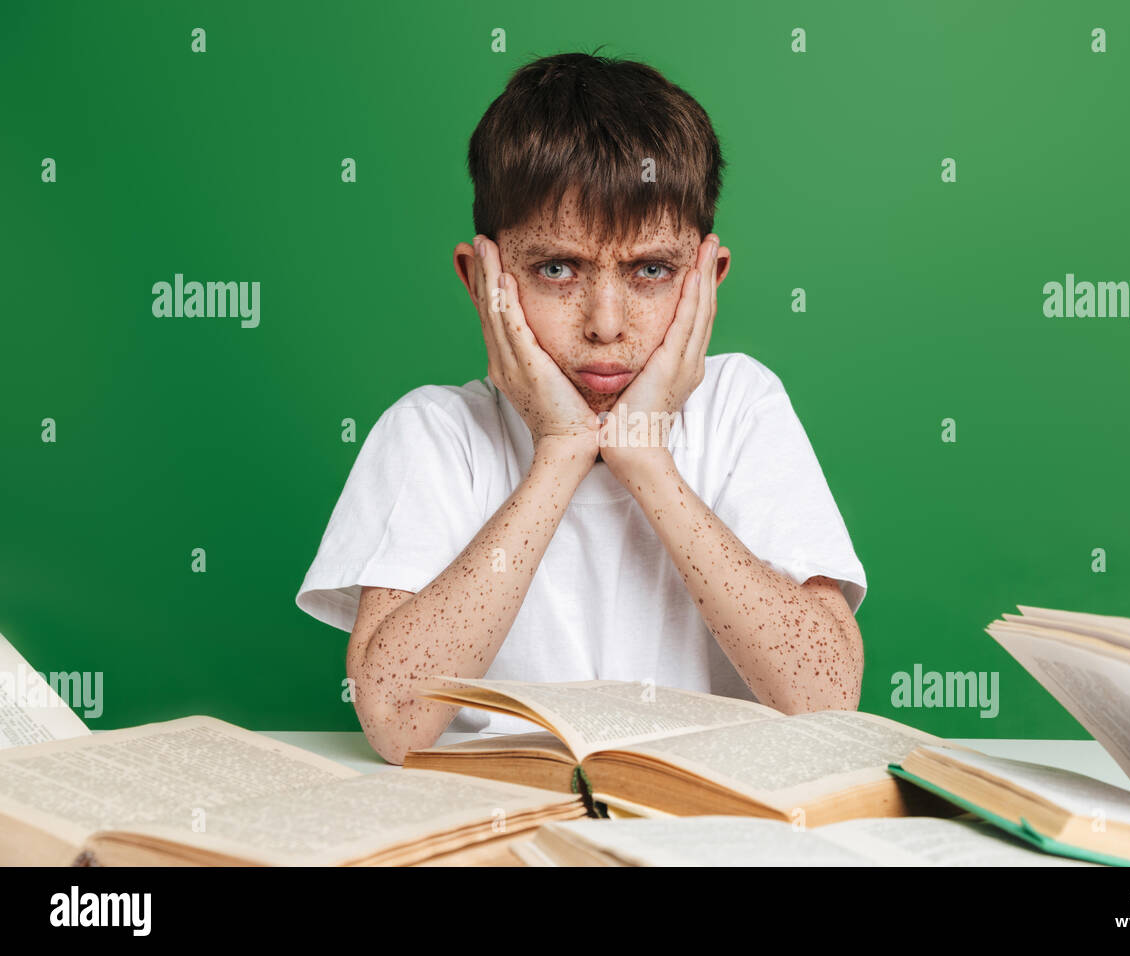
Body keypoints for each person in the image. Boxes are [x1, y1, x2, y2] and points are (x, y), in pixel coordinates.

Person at [296, 51, 866, 765]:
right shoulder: (433, 433)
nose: (604, 323)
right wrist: (560, 453)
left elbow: (826, 695)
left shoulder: (742, 405)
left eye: (651, 271)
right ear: (484, 280)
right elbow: (395, 722)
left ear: (707, 280)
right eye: (557, 269)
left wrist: (647, 461)